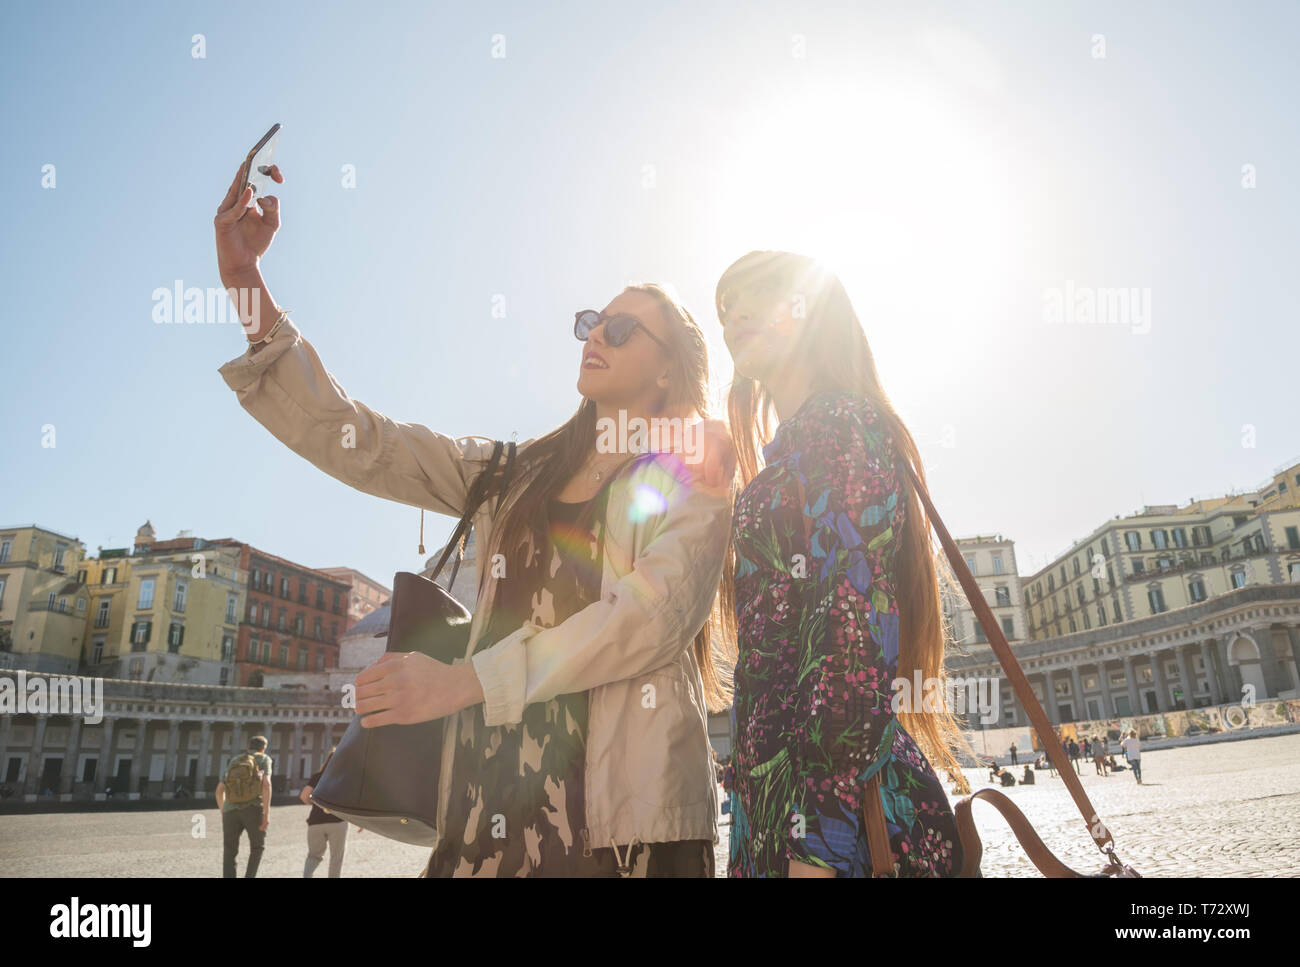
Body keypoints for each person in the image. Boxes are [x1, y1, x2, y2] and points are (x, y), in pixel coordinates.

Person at [214, 163, 735, 878]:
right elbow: (363, 438)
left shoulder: (692, 471)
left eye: (621, 327)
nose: (596, 335)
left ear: (670, 370)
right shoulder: (510, 472)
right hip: (483, 823)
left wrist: (462, 682)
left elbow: (644, 621)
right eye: (591, 322)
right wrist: (246, 285)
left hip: (623, 834)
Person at [716, 251, 970, 878]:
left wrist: (817, 849)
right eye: (725, 307)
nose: (734, 315)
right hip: (781, 805)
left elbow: (849, 636)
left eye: (760, 294)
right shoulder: (792, 447)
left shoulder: (842, 425)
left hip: (832, 824)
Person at [215, 735, 272, 878]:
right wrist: (266, 813)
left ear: (248, 748)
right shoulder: (264, 759)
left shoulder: (235, 760)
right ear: (263, 749)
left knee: (229, 850)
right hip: (252, 808)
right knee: (257, 847)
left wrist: (224, 811)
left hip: (230, 810)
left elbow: (219, 790)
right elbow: (266, 784)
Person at [300, 746, 349, 877]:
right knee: (336, 858)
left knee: (313, 856)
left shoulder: (317, 776)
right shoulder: (345, 778)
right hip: (338, 821)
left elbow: (304, 796)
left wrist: (316, 805)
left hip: (315, 822)